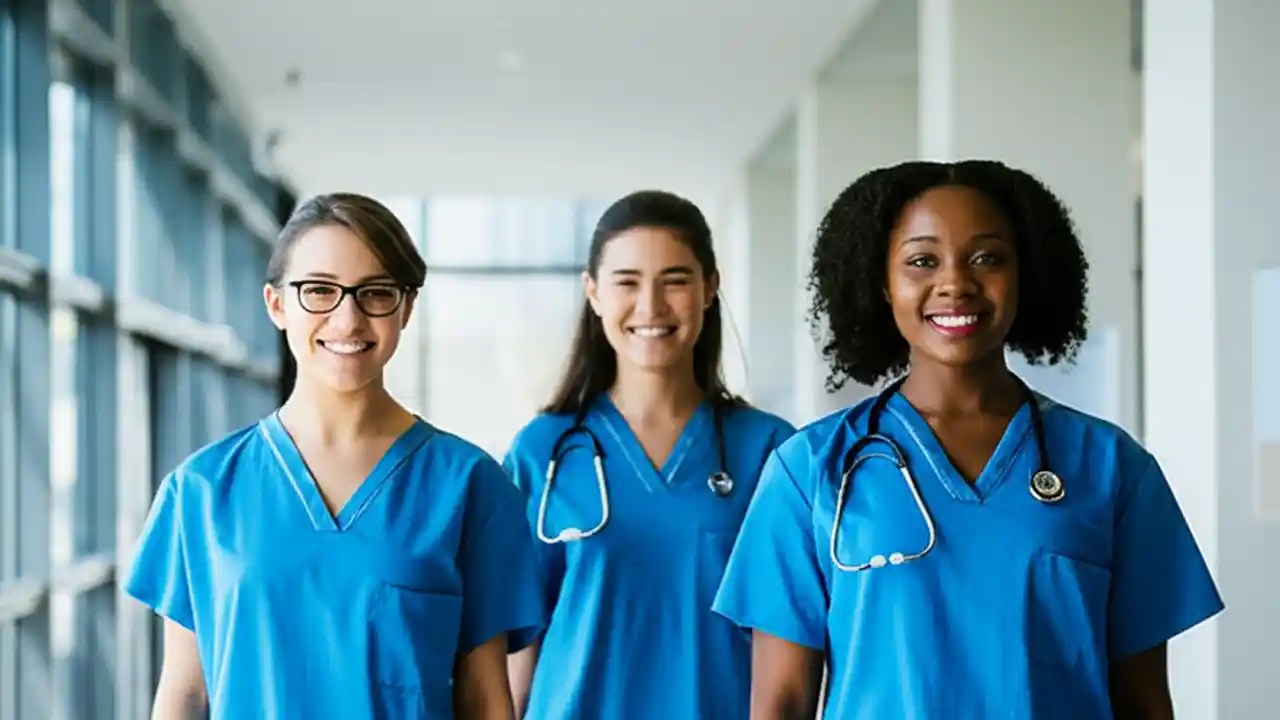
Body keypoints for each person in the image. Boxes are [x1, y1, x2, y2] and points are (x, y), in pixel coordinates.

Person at [712, 160, 1225, 719]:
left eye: (987, 258)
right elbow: (781, 702)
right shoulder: (810, 469)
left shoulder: (1111, 467)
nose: (955, 282)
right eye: (922, 261)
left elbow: (1145, 702)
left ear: (1024, 274)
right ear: (881, 282)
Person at [125, 193, 544, 719]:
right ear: (277, 305)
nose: (348, 320)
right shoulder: (203, 490)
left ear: (406, 307)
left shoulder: (469, 486)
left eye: (375, 293)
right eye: (319, 291)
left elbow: (485, 701)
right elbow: (185, 695)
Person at [503, 190, 795, 719]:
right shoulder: (542, 451)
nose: (651, 307)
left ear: (710, 288)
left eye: (675, 280)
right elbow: (520, 639)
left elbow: (792, 650)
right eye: (627, 282)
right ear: (593, 293)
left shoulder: (770, 452)